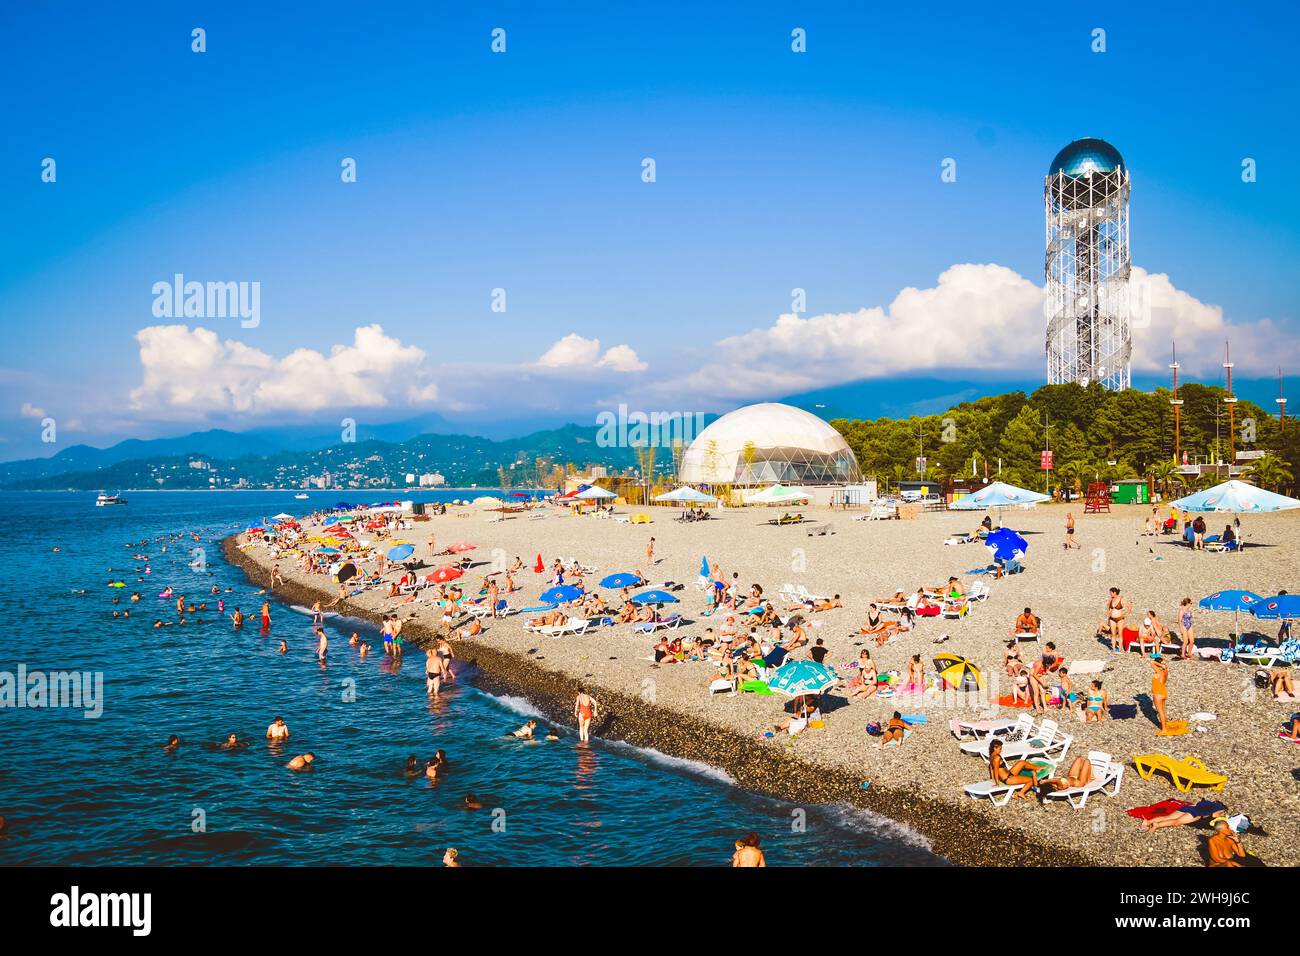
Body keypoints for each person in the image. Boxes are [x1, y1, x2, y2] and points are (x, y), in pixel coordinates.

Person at [1103, 587, 1130, 653]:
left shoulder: (1121, 599)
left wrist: (1124, 614)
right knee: (1113, 634)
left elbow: (1129, 608)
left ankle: (1120, 649)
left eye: (1111, 593)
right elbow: (1108, 608)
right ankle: (1114, 649)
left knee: (1120, 634)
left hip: (1120, 619)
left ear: (1114, 592)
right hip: (1112, 619)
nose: (1110, 594)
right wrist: (1108, 617)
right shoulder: (1111, 600)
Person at [1150, 654, 1169, 732]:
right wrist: (1164, 665)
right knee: (1163, 710)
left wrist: (1160, 664)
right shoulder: (1165, 671)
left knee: (1160, 712)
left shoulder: (1159, 672)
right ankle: (1165, 724)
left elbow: (1152, 663)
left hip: (1158, 694)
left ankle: (1164, 729)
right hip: (1164, 692)